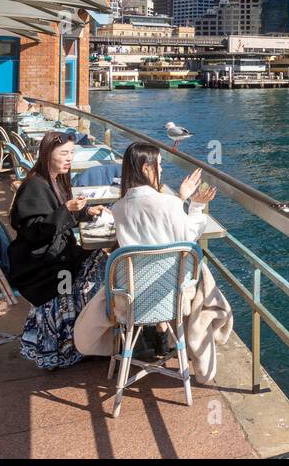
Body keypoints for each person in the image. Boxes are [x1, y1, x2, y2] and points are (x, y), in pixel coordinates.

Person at [74, 142, 232, 380]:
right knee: (200, 273)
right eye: (159, 165)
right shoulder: (169, 204)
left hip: (131, 301)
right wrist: (195, 205)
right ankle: (190, 349)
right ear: (146, 167)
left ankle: (144, 341)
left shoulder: (119, 208)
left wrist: (180, 198)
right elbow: (187, 236)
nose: (161, 170)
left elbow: (150, 227)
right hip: (171, 299)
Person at [8, 131, 106, 369]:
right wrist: (66, 209)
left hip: (52, 256)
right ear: (47, 154)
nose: (69, 158)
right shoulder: (34, 185)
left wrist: (84, 212)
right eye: (63, 153)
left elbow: (53, 215)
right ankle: (76, 337)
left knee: (101, 259)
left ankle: (83, 333)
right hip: (40, 266)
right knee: (100, 266)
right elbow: (34, 230)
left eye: (71, 153)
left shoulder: (53, 181)